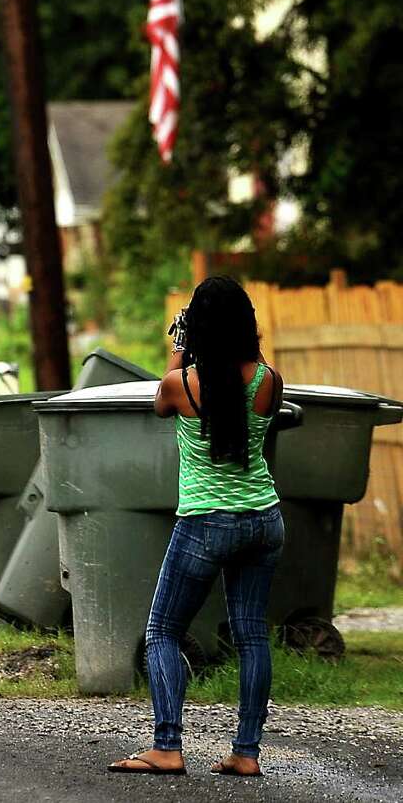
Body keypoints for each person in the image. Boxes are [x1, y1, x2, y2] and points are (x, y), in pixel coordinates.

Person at [110, 276, 285, 779]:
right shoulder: (268, 379)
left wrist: (178, 350)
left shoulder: (180, 383)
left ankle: (167, 746)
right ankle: (246, 752)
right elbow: (251, 407)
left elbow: (161, 406)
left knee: (163, 629)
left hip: (206, 522)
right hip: (264, 518)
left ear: (197, 327)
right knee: (252, 635)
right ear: (248, 325)